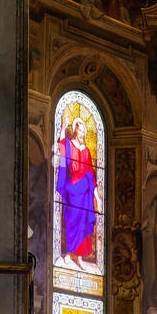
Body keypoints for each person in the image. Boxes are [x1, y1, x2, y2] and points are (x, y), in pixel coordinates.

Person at [54, 116, 101, 271]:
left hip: (85, 191)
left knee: (83, 223)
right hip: (73, 188)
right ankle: (68, 253)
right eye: (80, 131)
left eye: (84, 132)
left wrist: (98, 198)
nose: (82, 134)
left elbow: (91, 174)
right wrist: (62, 127)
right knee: (72, 220)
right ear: (75, 131)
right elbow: (60, 147)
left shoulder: (86, 151)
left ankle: (79, 258)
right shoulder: (69, 144)